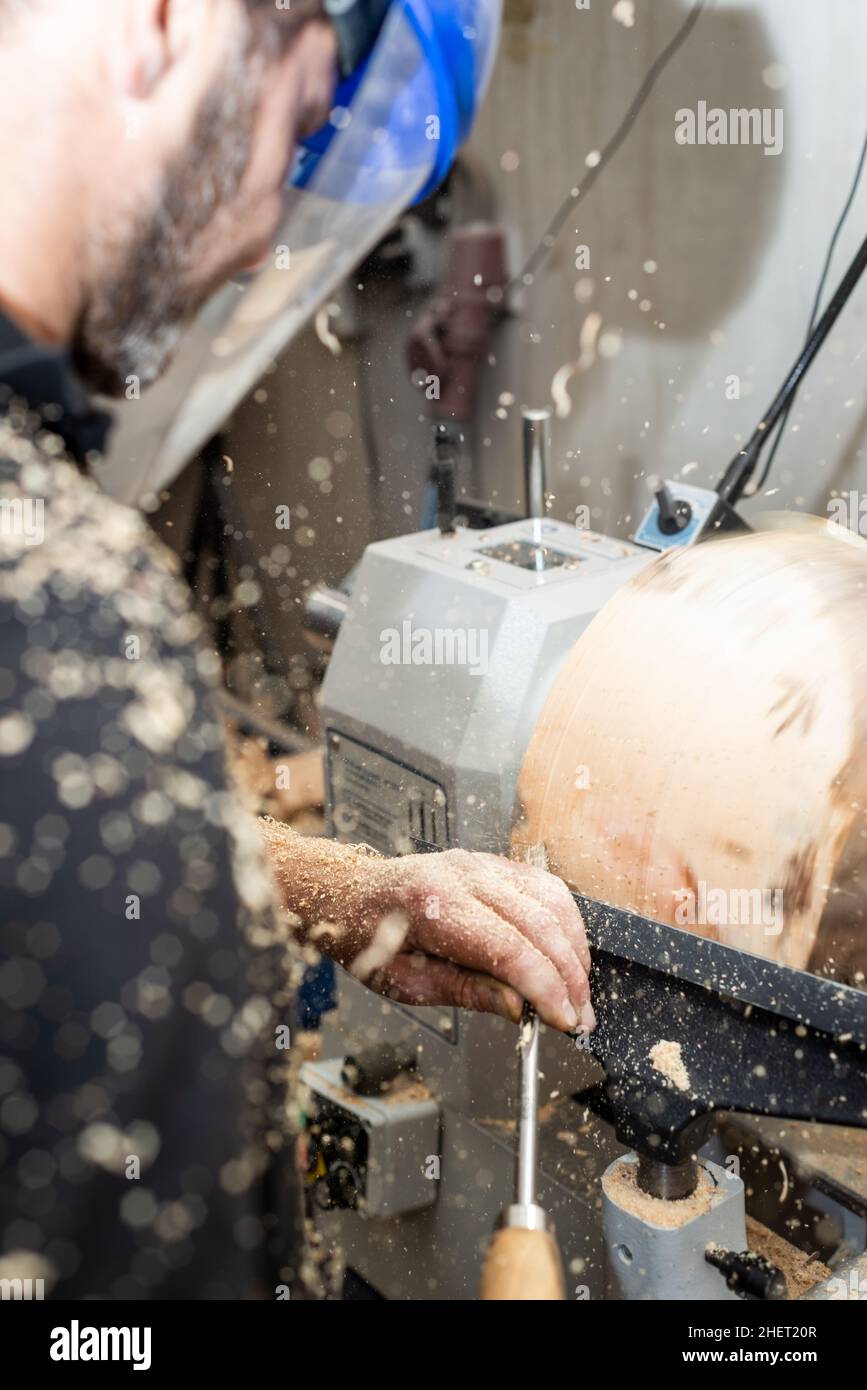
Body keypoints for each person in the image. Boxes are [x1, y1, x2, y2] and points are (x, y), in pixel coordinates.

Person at [0, 0, 593, 1299]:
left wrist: (346, 894)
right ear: (168, 18)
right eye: (305, 116)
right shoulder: (64, 617)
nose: (273, 227)